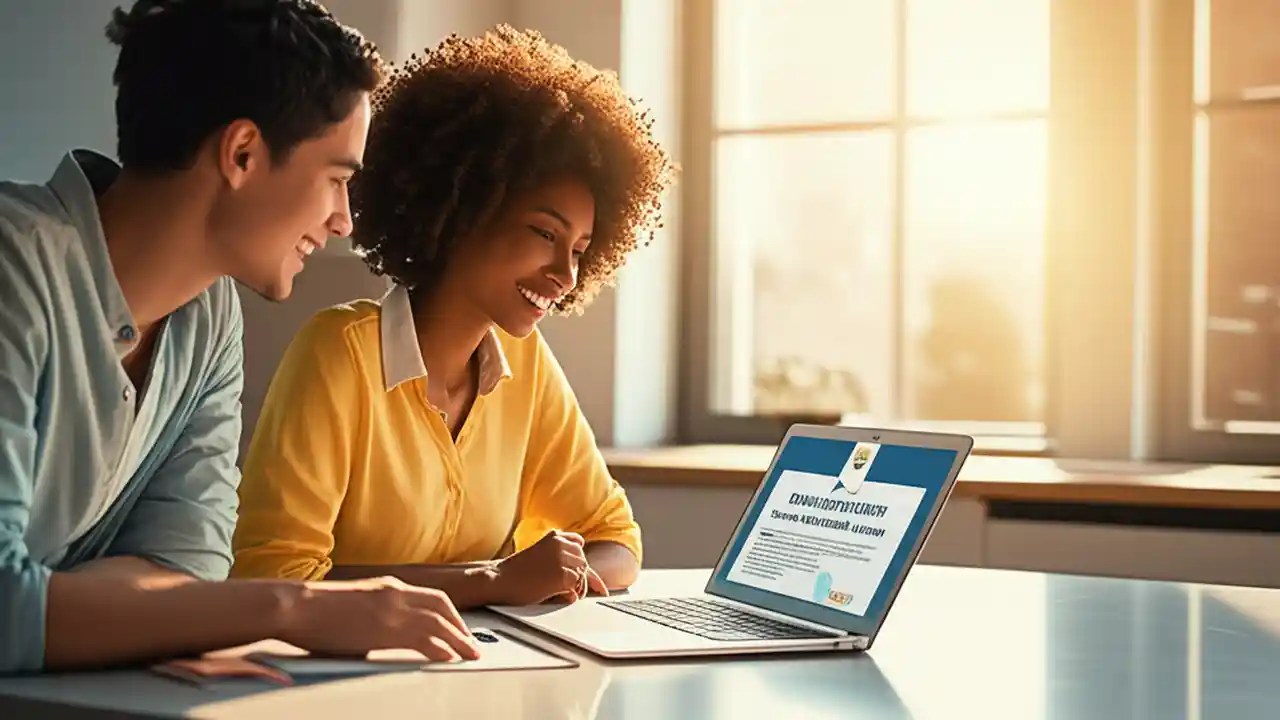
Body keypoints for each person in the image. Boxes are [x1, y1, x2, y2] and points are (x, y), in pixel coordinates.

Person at [0, 0, 478, 674]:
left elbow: (186, 568)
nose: (343, 220)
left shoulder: (211, 316)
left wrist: (65, 610)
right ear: (243, 152)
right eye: (337, 178)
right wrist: (291, 608)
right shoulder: (12, 269)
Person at [231, 26, 675, 609]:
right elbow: (273, 576)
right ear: (462, 210)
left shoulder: (526, 365)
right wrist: (491, 582)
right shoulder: (339, 353)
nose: (565, 276)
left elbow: (616, 541)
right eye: (544, 233)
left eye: (579, 250)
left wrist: (550, 576)